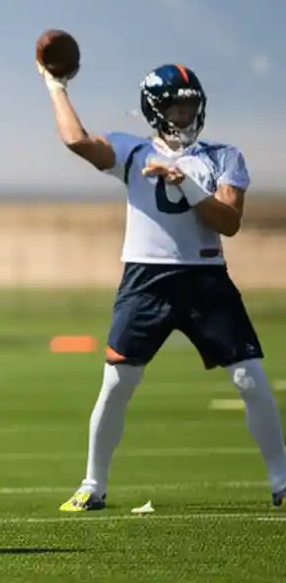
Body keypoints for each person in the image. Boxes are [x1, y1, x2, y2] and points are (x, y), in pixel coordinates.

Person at [37, 58, 286, 512]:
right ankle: (93, 484)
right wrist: (56, 86)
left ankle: (281, 480)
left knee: (251, 379)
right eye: (175, 108)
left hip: (206, 279)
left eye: (190, 107)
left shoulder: (224, 157)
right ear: (155, 110)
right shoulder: (132, 152)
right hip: (146, 279)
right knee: (116, 385)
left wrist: (185, 183)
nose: (184, 116)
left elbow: (228, 222)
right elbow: (76, 140)